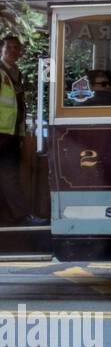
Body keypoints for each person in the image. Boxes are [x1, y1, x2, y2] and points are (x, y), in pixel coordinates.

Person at [0, 35, 44, 226]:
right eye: (8, 47)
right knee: (9, 175)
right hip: (2, 134)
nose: (13, 51)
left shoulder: (15, 72)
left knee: (9, 174)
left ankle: (12, 216)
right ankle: (21, 215)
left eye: (16, 48)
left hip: (11, 134)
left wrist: (20, 132)